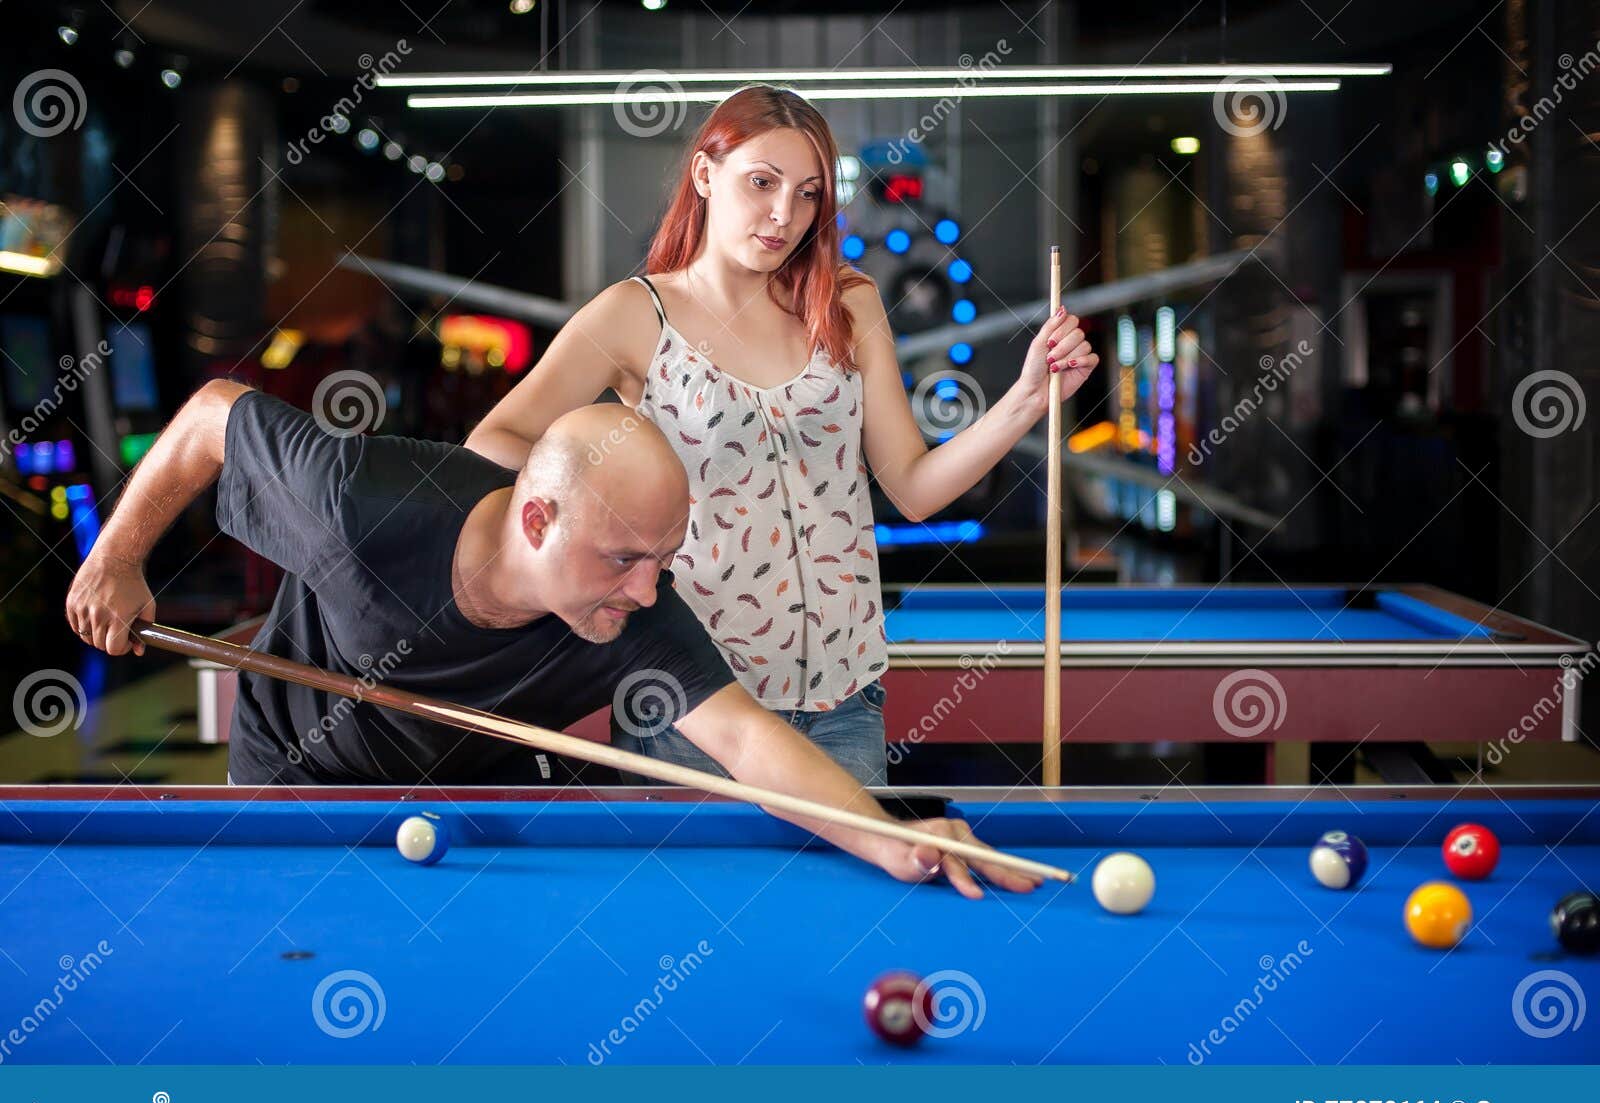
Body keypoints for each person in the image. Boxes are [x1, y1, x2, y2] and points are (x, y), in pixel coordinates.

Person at [66, 380, 1038, 899]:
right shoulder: (361, 503)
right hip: (289, 782)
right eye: (622, 557)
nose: (647, 586)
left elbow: (742, 737)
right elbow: (205, 421)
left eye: (662, 556)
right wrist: (115, 560)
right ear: (535, 524)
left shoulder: (633, 606)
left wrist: (884, 834)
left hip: (467, 818)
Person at [468, 84, 1097, 786]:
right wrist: (599, 513)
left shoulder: (847, 303)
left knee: (851, 899)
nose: (783, 215)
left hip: (843, 702)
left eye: (807, 194)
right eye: (761, 183)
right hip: (693, 701)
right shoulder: (635, 314)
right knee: (693, 898)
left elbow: (913, 491)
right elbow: (496, 440)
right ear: (706, 175)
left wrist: (1025, 400)